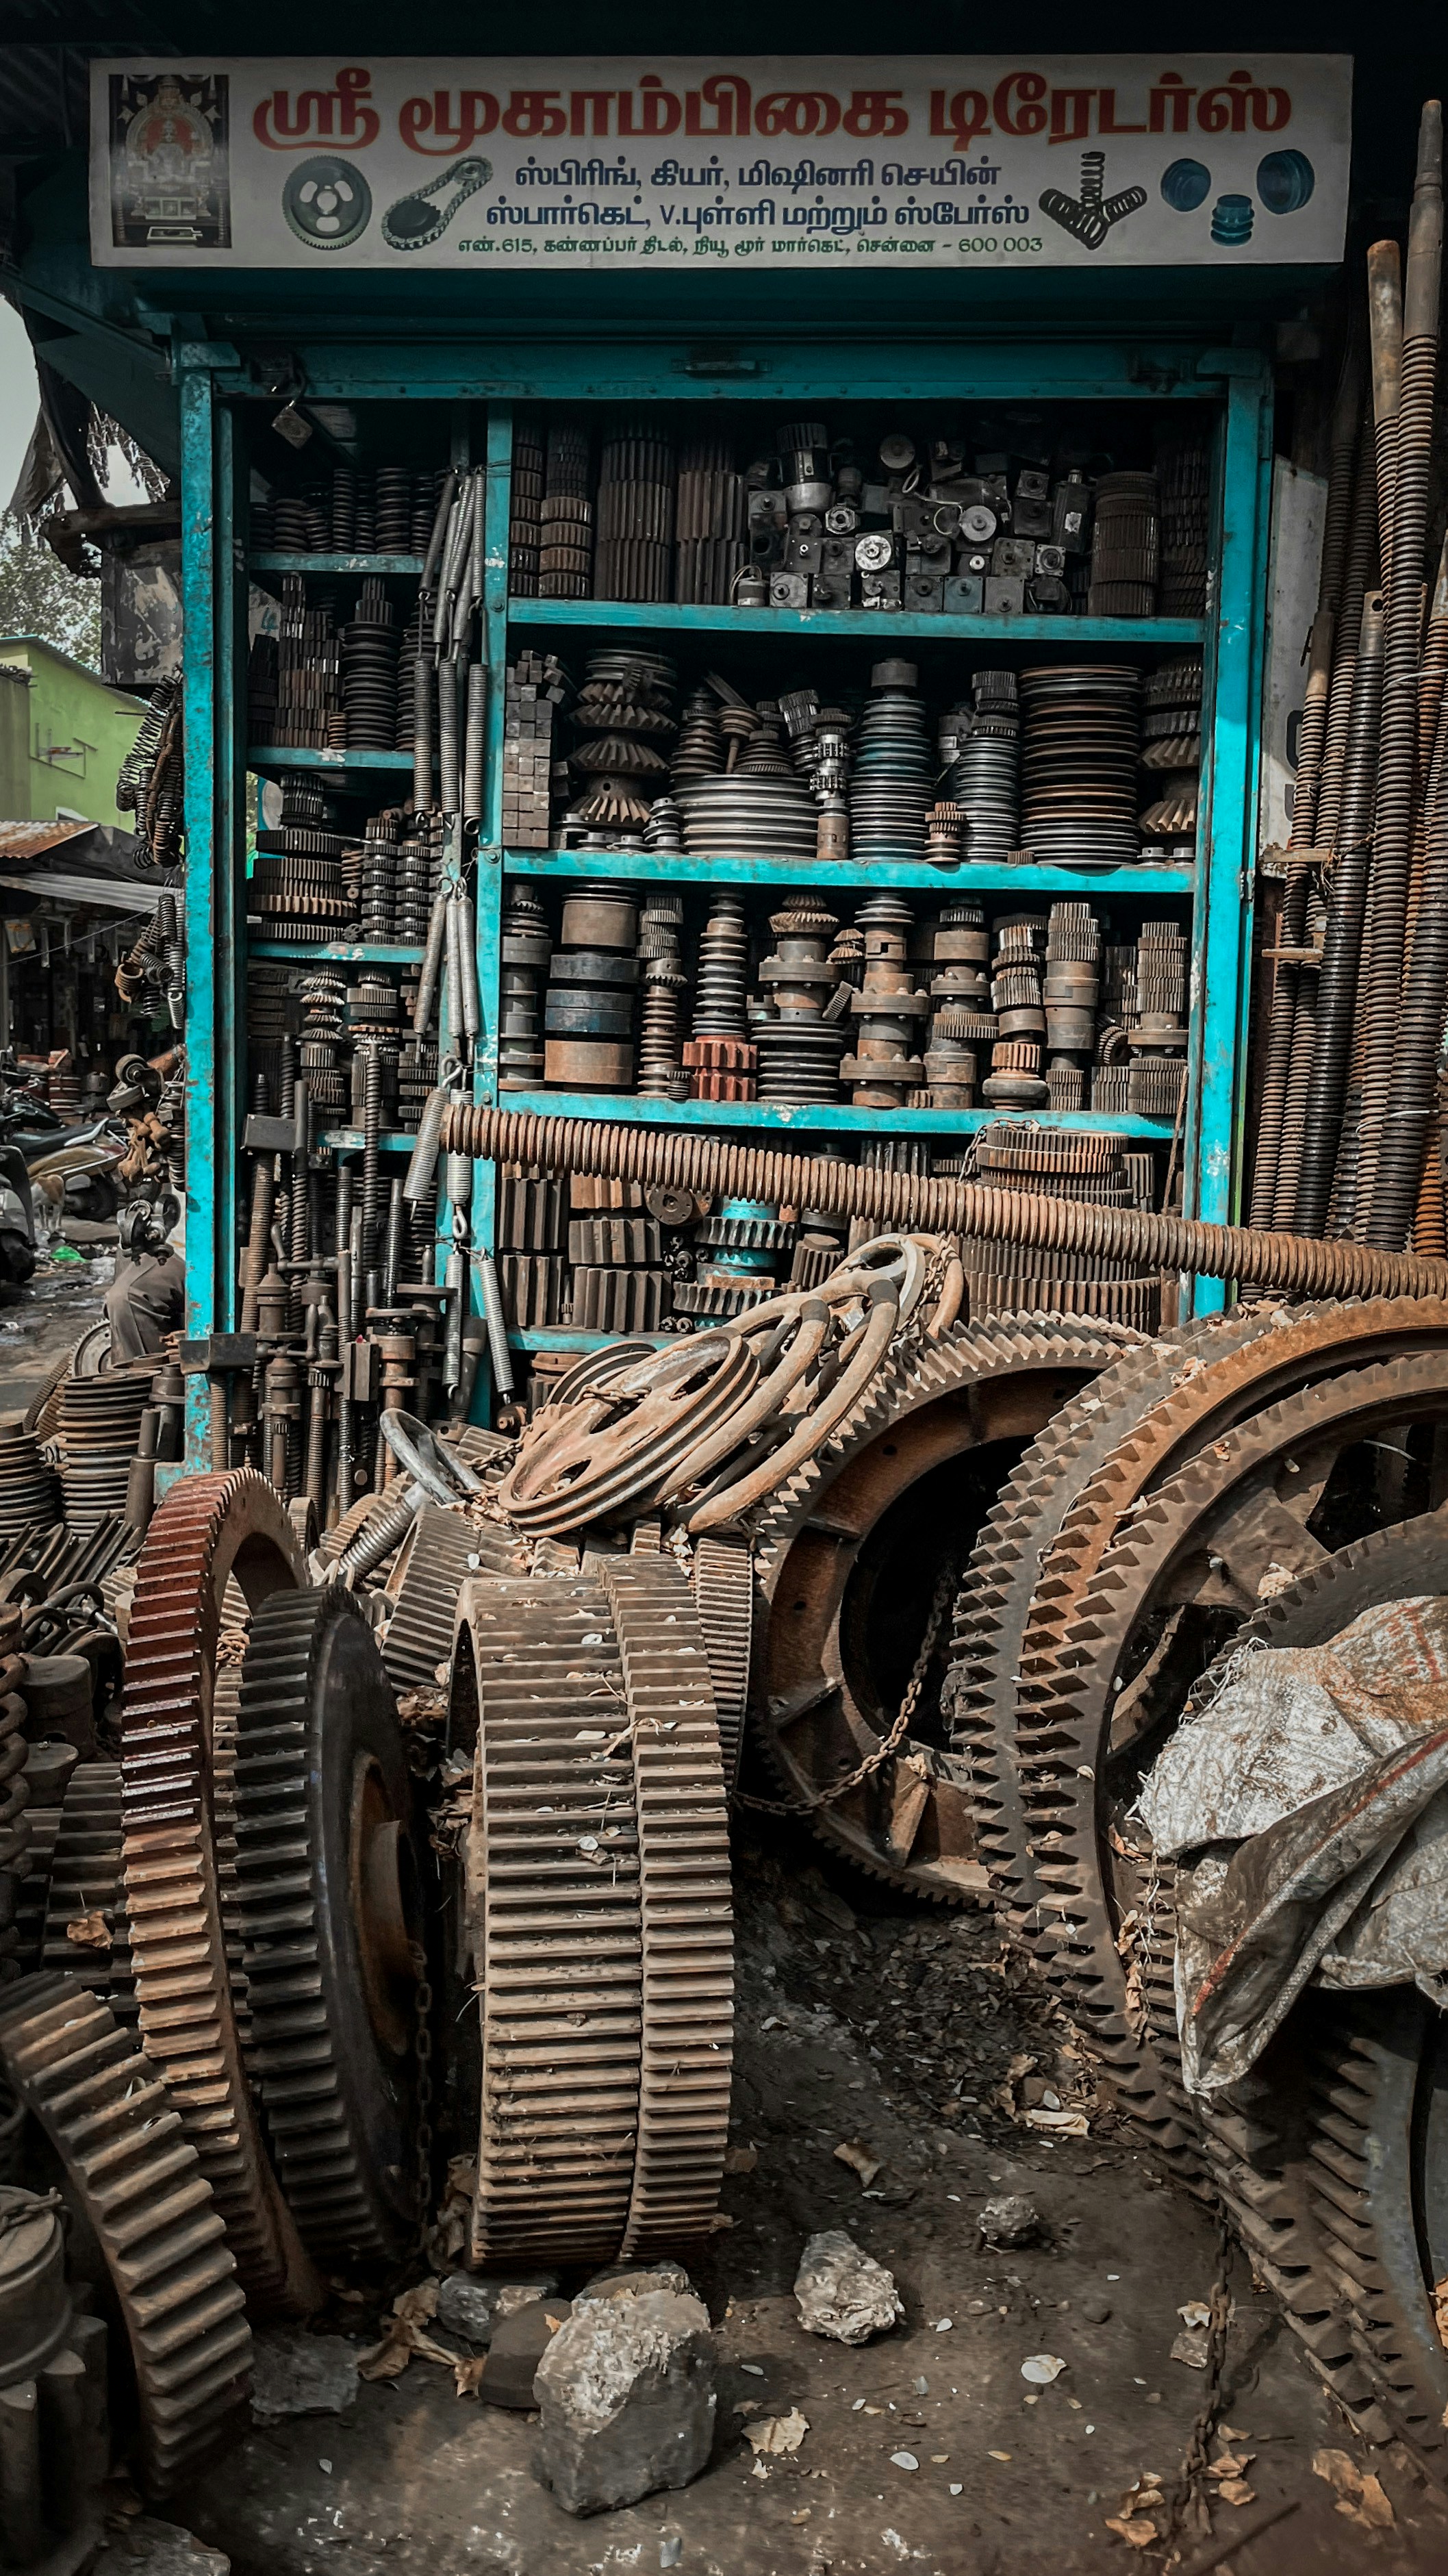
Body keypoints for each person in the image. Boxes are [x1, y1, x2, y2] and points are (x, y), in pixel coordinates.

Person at [103, 1199, 184, 1363]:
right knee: (128, 1254)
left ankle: (151, 1372)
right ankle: (133, 1364)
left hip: (204, 1260)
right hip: (171, 1247)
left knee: (130, 1296)